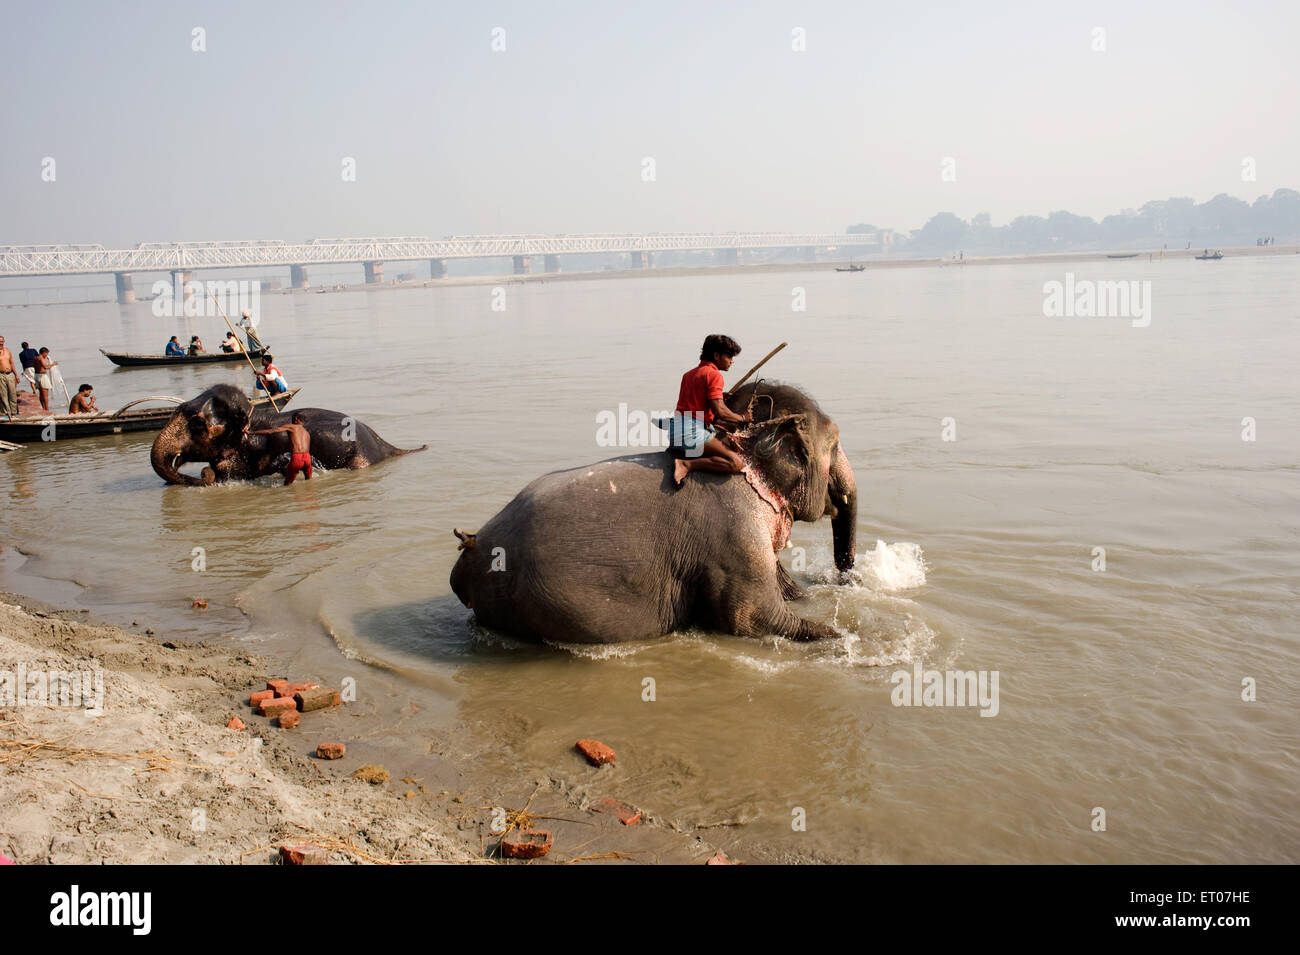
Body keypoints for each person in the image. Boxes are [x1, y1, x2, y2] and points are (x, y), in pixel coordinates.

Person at [664, 334, 752, 486]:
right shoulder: (714, 375)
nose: (732, 360)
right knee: (736, 463)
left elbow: (695, 402)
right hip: (691, 433)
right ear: (716, 355)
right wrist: (742, 418)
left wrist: (719, 395)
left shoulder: (688, 375)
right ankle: (687, 465)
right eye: (729, 356)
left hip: (675, 432)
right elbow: (720, 412)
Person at [248, 412, 313, 484]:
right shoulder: (306, 433)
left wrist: (250, 432)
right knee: (309, 481)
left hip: (297, 457)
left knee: (287, 484)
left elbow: (271, 431)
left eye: (292, 419)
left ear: (296, 419)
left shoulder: (291, 427)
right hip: (307, 457)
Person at [31, 347, 57, 412]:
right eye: (47, 354)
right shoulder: (41, 358)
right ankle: (47, 409)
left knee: (41, 394)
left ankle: (43, 408)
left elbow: (39, 365)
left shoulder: (35, 358)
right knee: (45, 394)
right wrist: (53, 364)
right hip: (42, 376)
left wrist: (45, 359)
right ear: (44, 353)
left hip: (36, 375)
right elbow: (45, 367)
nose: (47, 355)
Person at [0, 335, 19, 416]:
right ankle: (6, 412)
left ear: (4, 342)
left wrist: (16, 375)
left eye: (2, 341)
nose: (1, 343)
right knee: (3, 395)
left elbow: (12, 363)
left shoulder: (7, 350)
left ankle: (13, 412)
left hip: (10, 374)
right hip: (1, 375)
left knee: (13, 393)